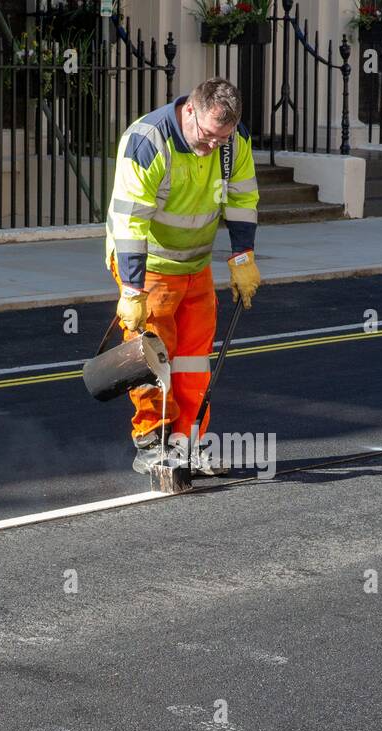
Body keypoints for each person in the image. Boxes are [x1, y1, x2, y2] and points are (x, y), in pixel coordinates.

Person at [105, 77, 261, 475]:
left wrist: (243, 257)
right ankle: (151, 443)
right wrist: (133, 288)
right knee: (152, 360)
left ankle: (186, 442)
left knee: (192, 360)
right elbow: (130, 220)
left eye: (221, 140)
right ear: (189, 110)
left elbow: (242, 200)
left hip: (195, 265)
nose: (213, 146)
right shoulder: (148, 141)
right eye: (208, 136)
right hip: (149, 268)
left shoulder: (233, 141)